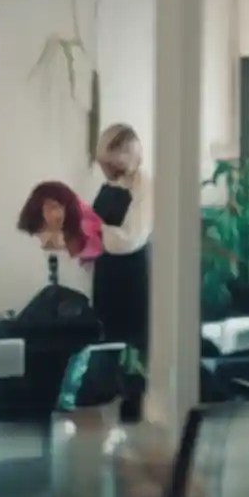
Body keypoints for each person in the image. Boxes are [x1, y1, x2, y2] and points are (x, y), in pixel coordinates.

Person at [91, 123, 152, 355]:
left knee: (133, 348)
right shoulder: (110, 185)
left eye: (109, 165)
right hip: (106, 276)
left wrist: (94, 229)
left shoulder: (145, 188)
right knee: (108, 346)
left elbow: (130, 239)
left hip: (132, 277)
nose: (105, 170)